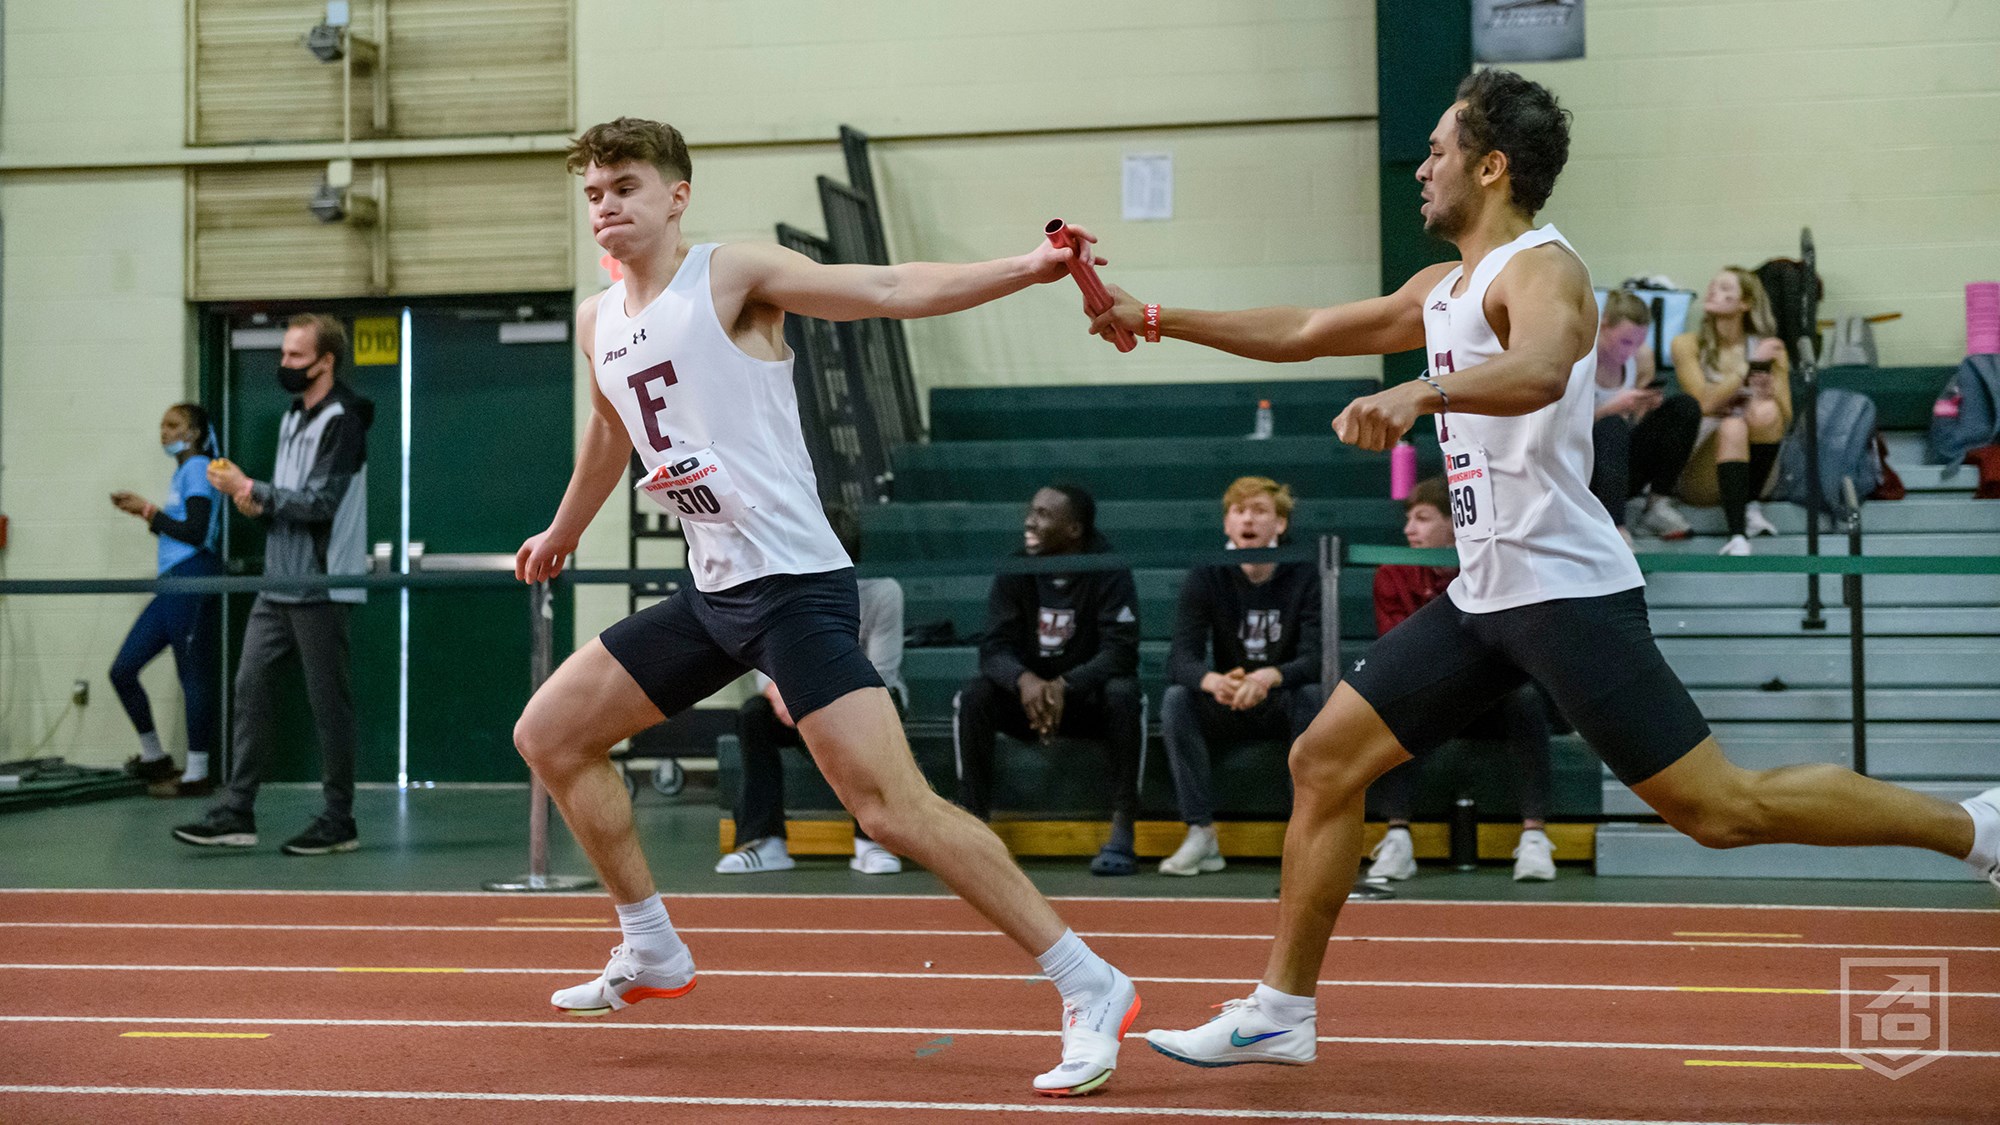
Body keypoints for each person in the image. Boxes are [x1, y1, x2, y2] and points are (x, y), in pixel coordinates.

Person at [1078, 69, 2000, 1069]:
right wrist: (1156, 316)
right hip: (1484, 592)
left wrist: (1418, 397)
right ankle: (1277, 1011)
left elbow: (1541, 371)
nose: (1420, 168)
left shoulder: (1540, 267)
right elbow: (1304, 331)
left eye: (1435, 150)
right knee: (1322, 760)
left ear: (1489, 164)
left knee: (1715, 811)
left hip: (1565, 591)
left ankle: (1973, 825)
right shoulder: (1442, 288)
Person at [510, 118, 1137, 1097]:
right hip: (712, 593)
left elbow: (888, 289)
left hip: (795, 590)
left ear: (675, 196)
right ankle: (651, 949)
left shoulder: (732, 278)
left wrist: (1025, 268)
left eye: (625, 186)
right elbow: (607, 435)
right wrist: (559, 533)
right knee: (551, 735)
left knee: (892, 811)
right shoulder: (597, 322)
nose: (606, 205)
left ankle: (1087, 981)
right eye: (592, 192)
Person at [172, 313, 372, 857]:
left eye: (295, 357)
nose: (283, 365)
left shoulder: (345, 419)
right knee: (249, 689)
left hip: (323, 585)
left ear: (325, 362)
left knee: (328, 704)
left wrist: (251, 486)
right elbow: (288, 505)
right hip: (276, 582)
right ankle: (237, 811)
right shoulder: (291, 417)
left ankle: (339, 819)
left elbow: (322, 504)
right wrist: (254, 501)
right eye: (283, 354)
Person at [1365, 477, 1556, 882]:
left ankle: (1535, 837)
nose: (1408, 530)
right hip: (1431, 696)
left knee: (1525, 699)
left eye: (1422, 518)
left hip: (1488, 696)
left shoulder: (1492, 567)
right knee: (1392, 700)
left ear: (1455, 524)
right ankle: (1397, 835)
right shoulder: (1392, 573)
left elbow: (1508, 643)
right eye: (1408, 519)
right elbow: (1396, 650)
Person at [953, 484, 1144, 877]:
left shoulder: (1108, 569)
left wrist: (1065, 684)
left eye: (1042, 514)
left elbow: (1120, 652)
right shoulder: (1016, 566)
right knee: (975, 696)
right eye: (1031, 510)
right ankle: (972, 829)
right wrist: (1024, 680)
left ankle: (1123, 829)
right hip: (1027, 700)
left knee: (1125, 694)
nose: (1029, 521)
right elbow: (993, 649)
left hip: (1083, 700)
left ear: (1074, 530)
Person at [718, 507, 906, 876]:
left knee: (885, 710)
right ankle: (765, 841)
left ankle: (871, 840)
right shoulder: (778, 592)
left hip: (862, 703)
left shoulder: (882, 593)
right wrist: (779, 694)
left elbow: (881, 673)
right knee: (755, 715)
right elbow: (764, 662)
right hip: (796, 705)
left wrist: (812, 700)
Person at [1157, 476, 1324, 876]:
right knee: (1177, 699)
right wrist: (1216, 682)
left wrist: (1269, 676)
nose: (1248, 519)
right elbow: (1180, 659)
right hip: (1228, 697)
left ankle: (1305, 834)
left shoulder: (1303, 572)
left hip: (1279, 695)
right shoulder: (1207, 574)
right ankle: (1201, 833)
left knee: (1315, 696)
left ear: (1280, 524)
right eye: (1239, 510)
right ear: (1227, 524)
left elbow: (1319, 657)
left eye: (1260, 510)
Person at [109, 403, 224, 798]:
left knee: (192, 676)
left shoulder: (198, 469)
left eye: (173, 425)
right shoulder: (184, 473)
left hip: (193, 576)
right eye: (162, 425)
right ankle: (155, 757)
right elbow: (180, 528)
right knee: (123, 669)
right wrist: (147, 515)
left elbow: (194, 531)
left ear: (193, 433)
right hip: (172, 582)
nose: (164, 432)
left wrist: (146, 510)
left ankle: (197, 774)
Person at [1670, 267, 1793, 556]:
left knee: (1765, 410)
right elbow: (1702, 404)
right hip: (1700, 466)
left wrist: (1770, 391)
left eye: (1726, 288)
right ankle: (1737, 532)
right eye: (1713, 285)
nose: (1714, 291)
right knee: (1732, 425)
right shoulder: (1686, 344)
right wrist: (1746, 369)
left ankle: (1748, 512)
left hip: (1756, 469)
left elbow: (1786, 416)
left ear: (1745, 303)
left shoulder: (1769, 348)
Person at [1588, 291, 1701, 543]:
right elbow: (1560, 430)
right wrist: (1609, 409)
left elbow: (1634, 429)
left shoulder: (1641, 357)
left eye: (1638, 343)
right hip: (1584, 469)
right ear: (1603, 326)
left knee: (1685, 407)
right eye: (1625, 342)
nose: (1630, 350)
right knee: (1612, 424)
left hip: (1620, 466)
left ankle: (1657, 505)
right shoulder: (1581, 359)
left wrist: (1643, 408)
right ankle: (1615, 527)